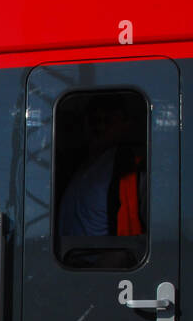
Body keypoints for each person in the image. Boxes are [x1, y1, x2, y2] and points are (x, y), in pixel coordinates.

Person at [58, 97, 145, 239]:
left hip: (103, 258)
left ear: (126, 124)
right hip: (68, 257)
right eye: (94, 120)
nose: (100, 127)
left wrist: (120, 256)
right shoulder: (78, 168)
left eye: (108, 120)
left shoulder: (129, 166)